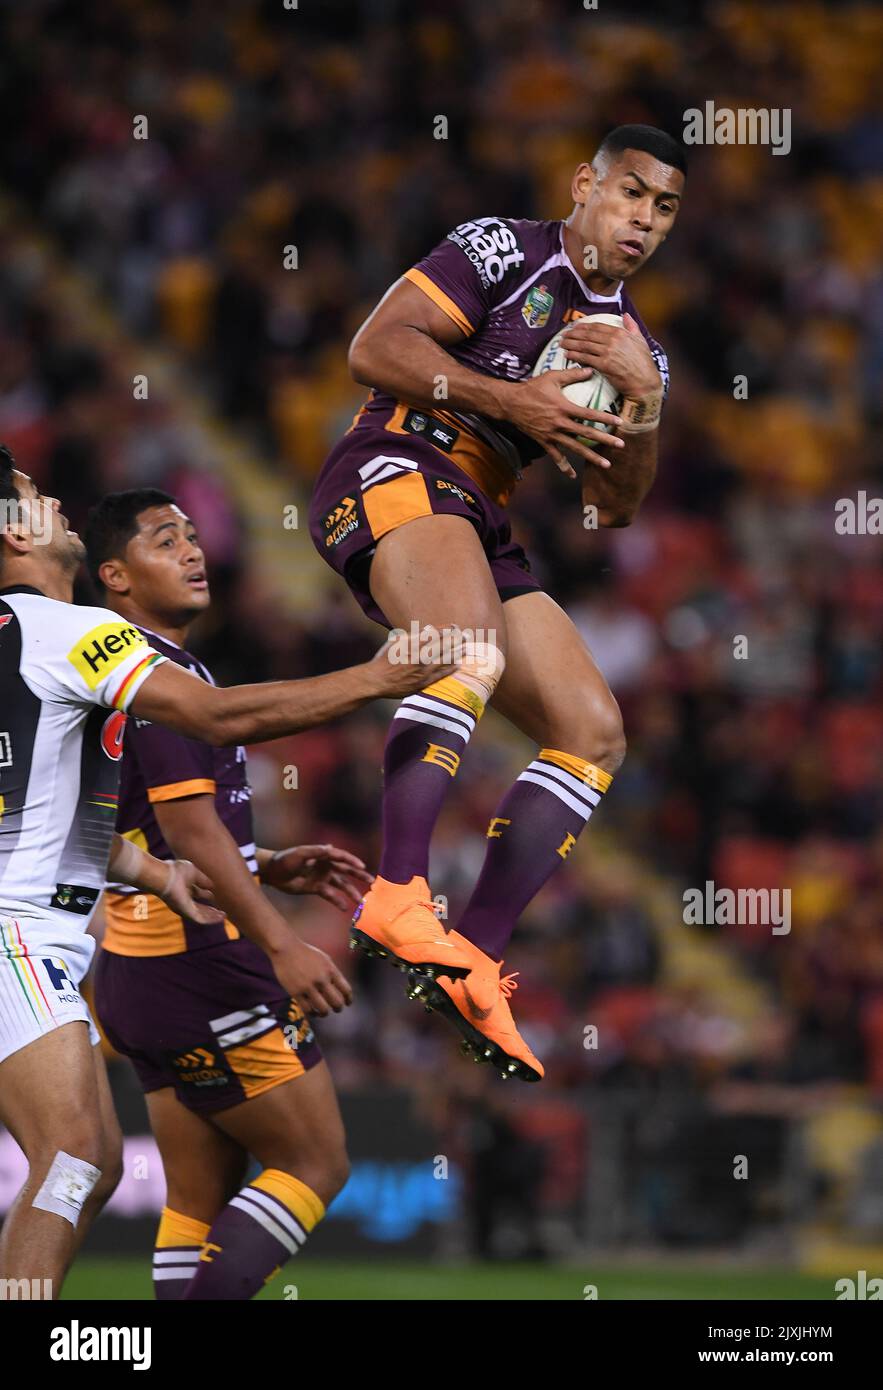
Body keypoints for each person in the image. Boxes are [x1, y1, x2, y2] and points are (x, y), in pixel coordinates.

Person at [0, 451, 448, 1297]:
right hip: (60, 944)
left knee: (105, 1172)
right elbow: (214, 726)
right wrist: (381, 676)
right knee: (87, 1159)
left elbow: (63, 820)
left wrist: (169, 875)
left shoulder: (25, 646)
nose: (54, 499)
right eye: (32, 497)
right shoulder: (75, 634)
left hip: (79, 944)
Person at [308, 125, 686, 1080]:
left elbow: (615, 508)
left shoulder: (639, 352)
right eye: (630, 193)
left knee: (593, 730)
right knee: (463, 644)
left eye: (664, 207)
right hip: (401, 456)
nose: (642, 219)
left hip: (480, 511)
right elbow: (374, 347)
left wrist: (642, 408)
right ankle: (398, 890)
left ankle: (473, 955)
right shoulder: (501, 249)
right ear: (583, 186)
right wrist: (513, 404)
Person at [84, 488, 363, 1299]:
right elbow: (193, 831)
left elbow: (150, 829)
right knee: (315, 1162)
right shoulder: (157, 676)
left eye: (194, 538)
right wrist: (280, 942)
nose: (192, 552)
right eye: (165, 542)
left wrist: (265, 860)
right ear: (116, 576)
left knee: (198, 1199)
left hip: (134, 974)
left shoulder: (113, 668)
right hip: (200, 961)